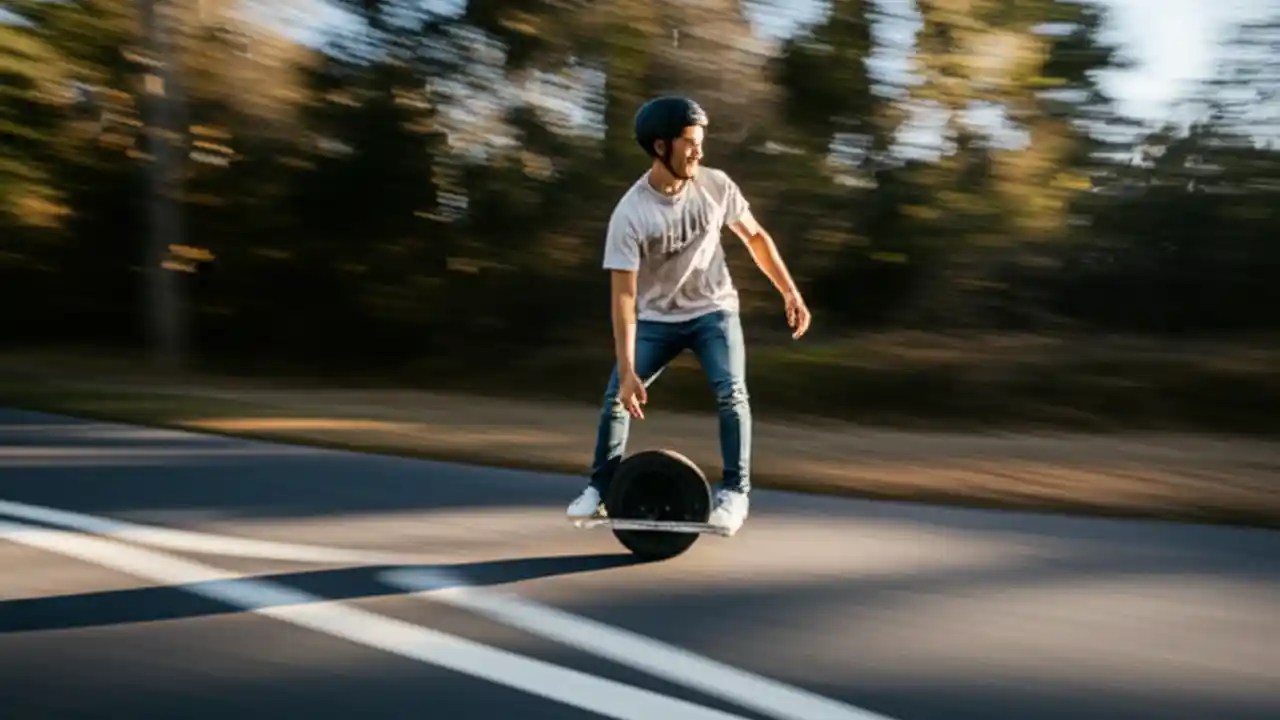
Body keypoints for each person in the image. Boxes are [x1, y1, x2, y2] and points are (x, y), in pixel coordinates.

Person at [566, 95, 811, 536]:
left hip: (713, 311)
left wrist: (789, 290)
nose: (699, 151)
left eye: (701, 141)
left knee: (731, 393)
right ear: (661, 147)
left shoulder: (716, 185)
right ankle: (599, 491)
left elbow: (755, 237)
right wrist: (627, 370)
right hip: (656, 319)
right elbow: (624, 297)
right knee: (617, 396)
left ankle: (735, 494)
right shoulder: (630, 214)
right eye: (690, 143)